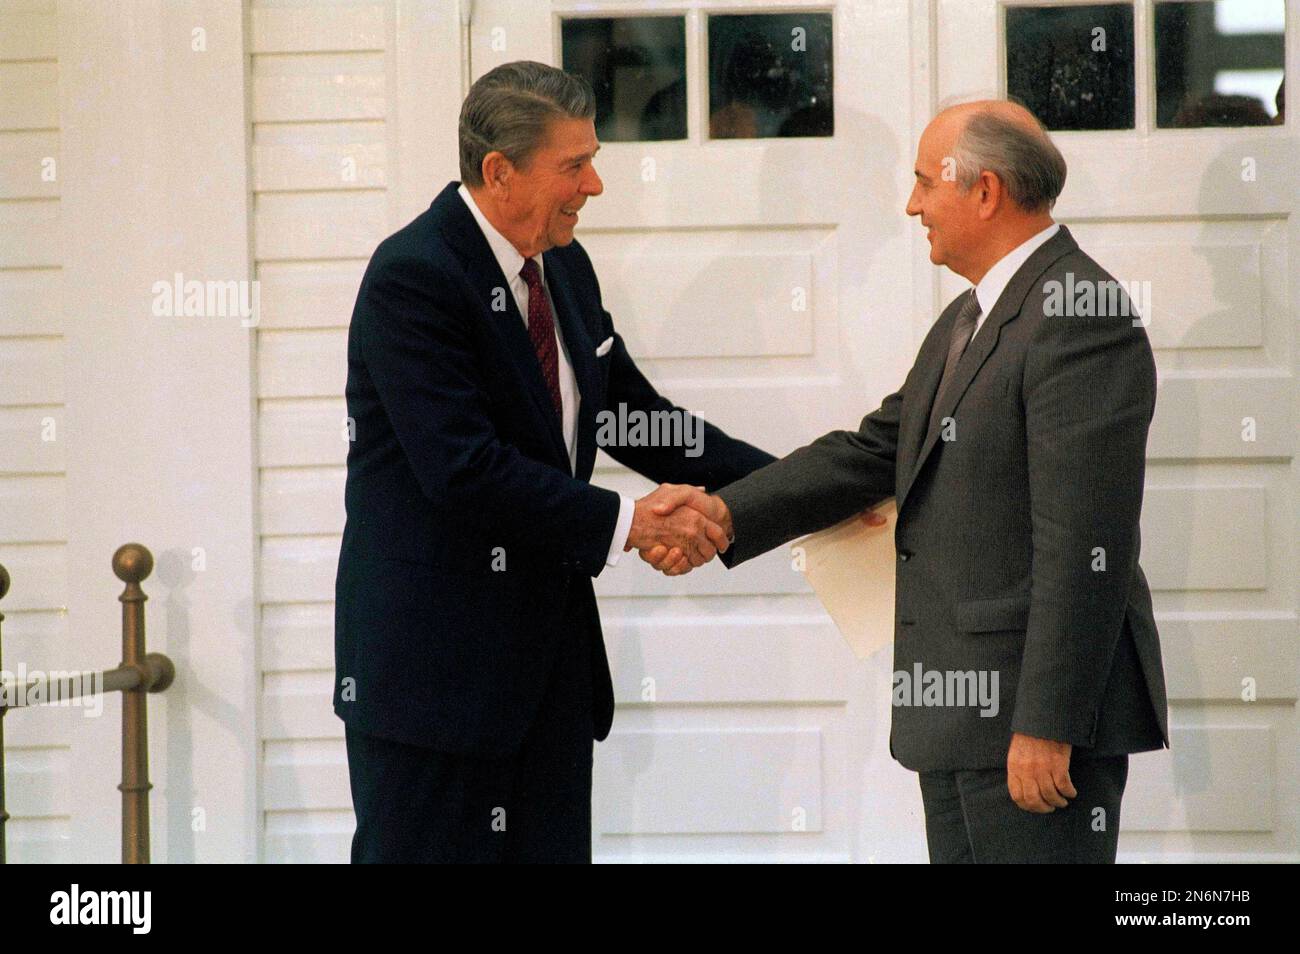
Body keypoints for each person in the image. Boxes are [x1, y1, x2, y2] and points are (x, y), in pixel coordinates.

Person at [645, 100, 1170, 863]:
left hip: (1027, 727)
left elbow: (1086, 542)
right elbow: (872, 452)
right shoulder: (973, 315)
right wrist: (724, 512)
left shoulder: (1077, 315)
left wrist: (1049, 723)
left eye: (926, 183)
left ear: (985, 192)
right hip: (959, 721)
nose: (911, 204)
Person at [333, 60, 774, 863]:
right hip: (436, 688)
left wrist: (791, 489)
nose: (595, 184)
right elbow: (463, 469)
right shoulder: (414, 278)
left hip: (548, 682)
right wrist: (634, 524)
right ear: (498, 171)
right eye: (574, 165)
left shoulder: (563, 265)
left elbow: (633, 419)